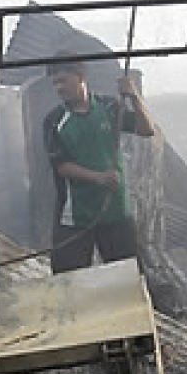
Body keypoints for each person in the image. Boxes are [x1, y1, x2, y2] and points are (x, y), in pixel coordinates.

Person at [43, 55, 155, 274]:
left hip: (115, 211)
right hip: (75, 217)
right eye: (55, 83)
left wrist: (133, 95)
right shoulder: (54, 120)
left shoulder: (110, 107)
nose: (59, 88)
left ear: (81, 77)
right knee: (69, 281)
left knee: (127, 278)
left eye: (63, 80)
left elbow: (146, 129)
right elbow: (62, 166)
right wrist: (99, 178)